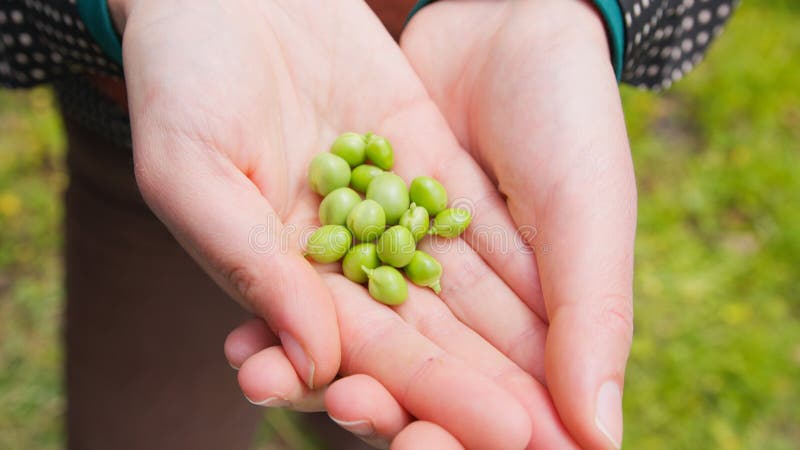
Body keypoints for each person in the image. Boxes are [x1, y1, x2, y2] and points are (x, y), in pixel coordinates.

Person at [0, 0, 735, 448]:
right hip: (139, 115)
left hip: (466, 111)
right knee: (152, 420)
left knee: (396, 404)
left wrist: (569, 4)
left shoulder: (391, 214)